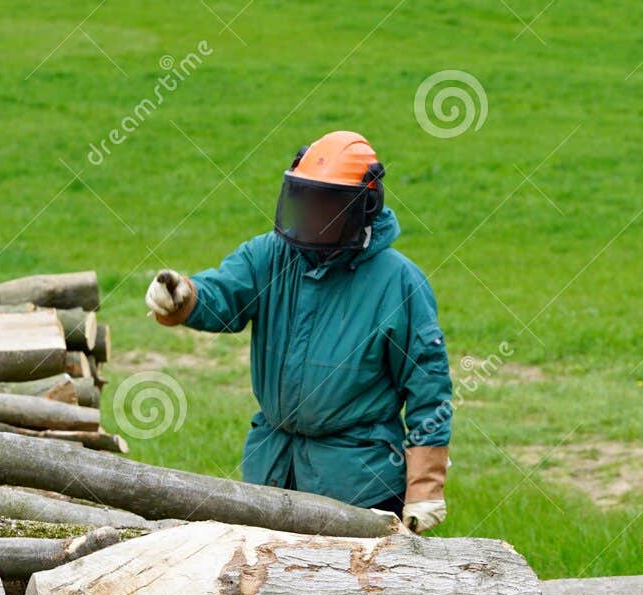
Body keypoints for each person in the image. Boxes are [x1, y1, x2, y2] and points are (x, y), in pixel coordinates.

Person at [145, 130, 452, 532]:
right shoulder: (270, 254)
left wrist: (425, 487)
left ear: (365, 207)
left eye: (327, 202)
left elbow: (429, 387)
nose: (312, 212)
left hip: (360, 486)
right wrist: (184, 297)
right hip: (273, 468)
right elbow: (224, 294)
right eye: (306, 197)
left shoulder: (399, 283)